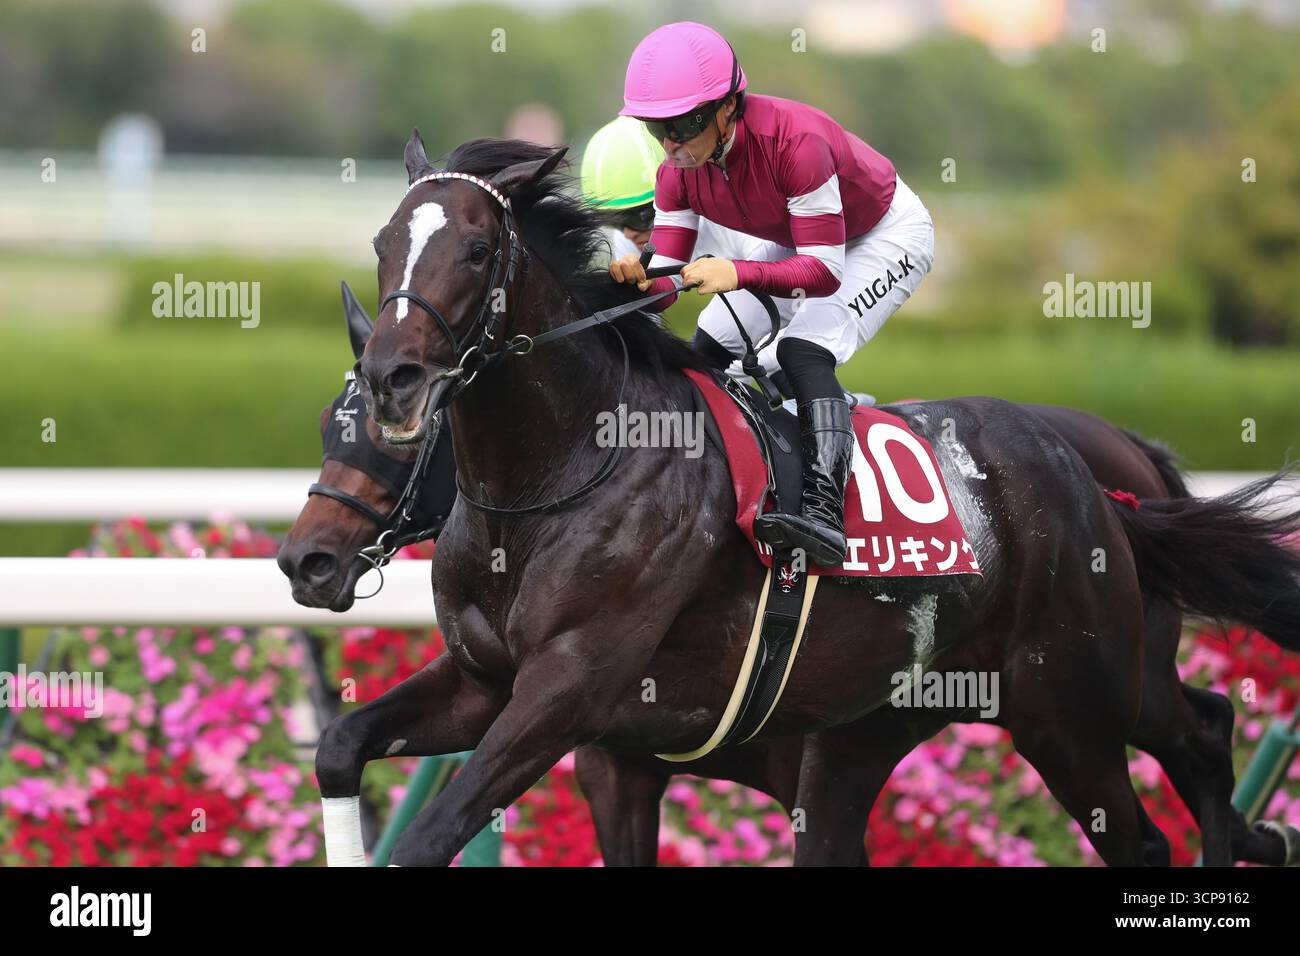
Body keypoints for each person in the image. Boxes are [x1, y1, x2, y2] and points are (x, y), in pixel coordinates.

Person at [609, 21, 935, 568]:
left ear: (727, 107)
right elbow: (668, 280)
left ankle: (824, 515)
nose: (671, 143)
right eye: (656, 127)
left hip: (882, 235)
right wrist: (637, 283)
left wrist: (736, 272)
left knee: (802, 348)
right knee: (707, 348)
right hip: (799, 242)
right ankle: (711, 486)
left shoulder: (796, 143)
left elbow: (824, 274)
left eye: (683, 124)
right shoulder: (676, 173)